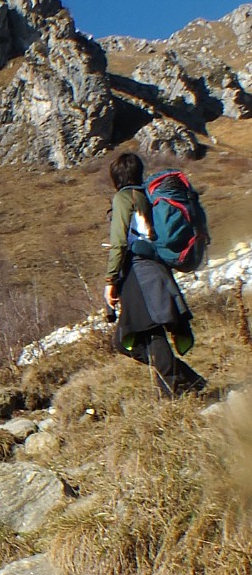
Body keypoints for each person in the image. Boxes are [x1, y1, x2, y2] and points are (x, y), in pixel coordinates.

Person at [104, 152, 202, 397]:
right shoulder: (146, 197)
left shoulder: (123, 198)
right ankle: (188, 382)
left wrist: (110, 282)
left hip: (139, 273)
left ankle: (177, 391)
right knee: (132, 338)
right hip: (156, 270)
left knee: (148, 334)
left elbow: (118, 244)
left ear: (116, 178)